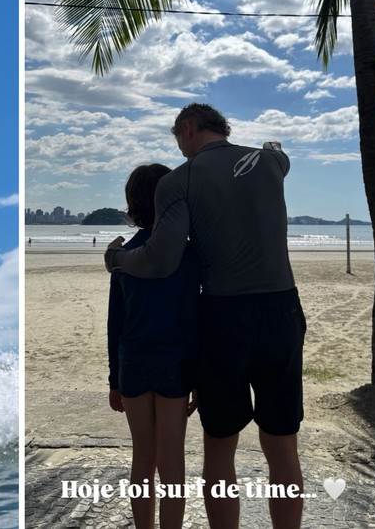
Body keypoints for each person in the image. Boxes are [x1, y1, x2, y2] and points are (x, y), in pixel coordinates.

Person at [105, 104, 306, 529]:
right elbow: (280, 154)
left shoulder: (181, 179)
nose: (179, 147)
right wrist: (272, 144)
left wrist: (117, 258)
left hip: (223, 316)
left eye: (177, 138)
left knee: (220, 445)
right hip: (280, 310)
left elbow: (161, 258)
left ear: (188, 127)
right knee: (282, 444)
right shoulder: (271, 163)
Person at [107, 163, 201, 529]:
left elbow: (116, 323)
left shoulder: (124, 255)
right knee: (172, 462)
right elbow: (193, 320)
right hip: (174, 363)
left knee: (142, 459)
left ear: (133, 204)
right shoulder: (188, 254)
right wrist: (197, 377)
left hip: (133, 361)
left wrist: (114, 379)